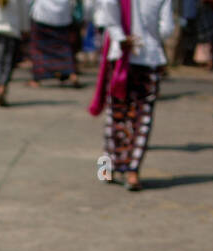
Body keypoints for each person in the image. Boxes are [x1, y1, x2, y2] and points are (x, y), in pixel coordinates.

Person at [91, 0, 175, 190]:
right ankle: (132, 172)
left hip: (121, 56)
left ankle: (105, 169)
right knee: (142, 119)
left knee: (115, 117)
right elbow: (167, 29)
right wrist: (148, 35)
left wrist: (121, 37)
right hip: (150, 57)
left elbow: (106, 13)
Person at [29, 0, 81, 85]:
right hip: (63, 14)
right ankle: (71, 73)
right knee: (63, 47)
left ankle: (37, 78)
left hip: (43, 13)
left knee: (39, 48)